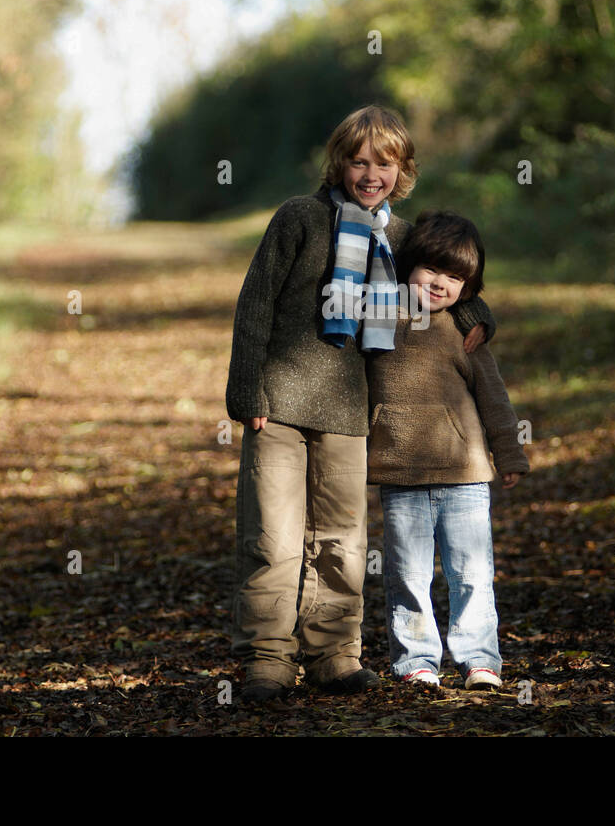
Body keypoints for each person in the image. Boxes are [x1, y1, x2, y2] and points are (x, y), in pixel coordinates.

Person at [225, 105, 496, 703]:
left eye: (385, 162)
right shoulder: (299, 218)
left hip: (351, 412)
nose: (370, 173)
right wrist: (246, 390)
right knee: (273, 536)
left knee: (342, 539)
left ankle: (333, 655)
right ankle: (268, 660)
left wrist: (476, 311)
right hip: (278, 403)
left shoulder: (401, 238)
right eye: (359, 160)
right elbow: (255, 304)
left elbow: (448, 277)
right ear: (339, 163)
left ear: (403, 171)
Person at [367, 211, 529, 690]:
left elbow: (495, 400)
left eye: (455, 277)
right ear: (409, 264)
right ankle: (416, 661)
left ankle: (479, 659)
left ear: (470, 287)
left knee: (472, 573)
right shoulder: (378, 316)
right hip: (401, 474)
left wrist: (511, 454)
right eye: (431, 270)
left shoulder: (467, 332)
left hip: (466, 476)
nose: (440, 283)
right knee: (408, 577)